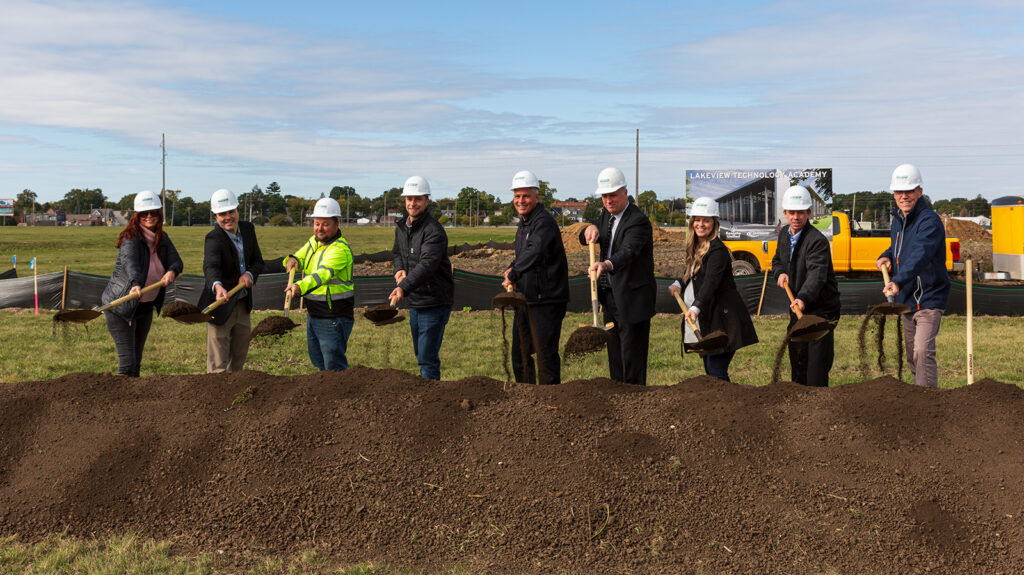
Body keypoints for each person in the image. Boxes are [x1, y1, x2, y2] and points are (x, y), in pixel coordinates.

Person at [578, 167, 657, 385]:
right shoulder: (606, 216)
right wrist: (588, 230)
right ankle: (619, 397)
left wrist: (606, 264)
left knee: (632, 357)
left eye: (613, 195)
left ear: (625, 192)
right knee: (615, 356)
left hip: (633, 299)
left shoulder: (637, 220)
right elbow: (588, 237)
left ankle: (635, 402)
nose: (608, 200)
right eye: (604, 196)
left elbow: (628, 252)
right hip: (611, 297)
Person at [876, 163, 950, 387]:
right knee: (913, 358)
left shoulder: (929, 222)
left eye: (909, 191)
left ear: (920, 191)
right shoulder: (898, 219)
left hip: (928, 298)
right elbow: (900, 247)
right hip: (908, 300)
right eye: (899, 191)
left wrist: (897, 280)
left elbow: (920, 254)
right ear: (894, 194)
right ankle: (919, 402)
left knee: (922, 352)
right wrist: (887, 255)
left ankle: (929, 405)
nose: (904, 196)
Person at [668, 197, 757, 382]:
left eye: (706, 220)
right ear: (692, 222)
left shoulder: (717, 251)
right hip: (710, 317)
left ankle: (728, 407)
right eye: (697, 220)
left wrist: (695, 307)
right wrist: (679, 283)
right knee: (710, 367)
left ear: (714, 223)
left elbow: (710, 283)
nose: (701, 224)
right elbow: (690, 272)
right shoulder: (696, 246)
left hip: (725, 320)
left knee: (716, 370)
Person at [101, 190, 182, 377]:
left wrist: (172, 271)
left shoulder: (162, 237)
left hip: (144, 307)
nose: (149, 217)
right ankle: (120, 400)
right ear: (137, 216)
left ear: (159, 214)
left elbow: (177, 261)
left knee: (136, 362)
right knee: (127, 363)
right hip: (122, 307)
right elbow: (132, 264)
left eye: (153, 212)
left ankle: (134, 403)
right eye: (144, 213)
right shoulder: (131, 238)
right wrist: (136, 283)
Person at [502, 170, 570, 385]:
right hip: (526, 297)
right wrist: (511, 268)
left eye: (525, 196)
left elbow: (536, 250)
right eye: (517, 196)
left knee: (545, 356)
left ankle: (550, 403)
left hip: (546, 300)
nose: (521, 201)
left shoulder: (544, 223)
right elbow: (524, 255)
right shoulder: (524, 224)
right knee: (520, 356)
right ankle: (525, 400)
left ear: (536, 197)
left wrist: (514, 272)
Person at [771, 185, 840, 387]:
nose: (796, 217)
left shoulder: (817, 241)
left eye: (801, 212)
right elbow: (777, 260)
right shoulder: (784, 234)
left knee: (817, 365)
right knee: (798, 359)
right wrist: (780, 273)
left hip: (821, 310)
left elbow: (816, 275)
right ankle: (799, 405)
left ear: (809, 213)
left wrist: (802, 298)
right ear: (785, 213)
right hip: (798, 308)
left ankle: (819, 406)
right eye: (791, 212)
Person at [389, 176, 454, 380]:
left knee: (427, 358)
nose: (412, 203)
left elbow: (427, 265)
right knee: (421, 355)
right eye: (409, 198)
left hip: (434, 301)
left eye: (418, 199)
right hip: (417, 301)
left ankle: (432, 400)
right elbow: (398, 253)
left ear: (427, 201)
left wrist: (403, 288)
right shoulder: (402, 227)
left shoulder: (433, 231)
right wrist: (399, 269)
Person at [198, 188, 264, 373]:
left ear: (237, 210)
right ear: (215, 216)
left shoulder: (248, 230)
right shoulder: (214, 238)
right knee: (218, 364)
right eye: (222, 214)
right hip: (220, 305)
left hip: (242, 304)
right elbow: (210, 266)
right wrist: (217, 286)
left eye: (231, 212)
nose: (228, 217)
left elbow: (258, 261)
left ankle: (236, 397)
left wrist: (249, 274)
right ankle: (215, 398)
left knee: (238, 360)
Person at [286, 197, 355, 371]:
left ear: (337, 224)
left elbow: (321, 275)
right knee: (319, 363)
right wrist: (292, 259)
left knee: (333, 366)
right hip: (315, 313)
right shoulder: (314, 242)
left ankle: (339, 397)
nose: (320, 228)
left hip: (334, 317)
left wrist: (300, 287)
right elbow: (301, 256)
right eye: (317, 223)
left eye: (325, 224)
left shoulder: (340, 250)